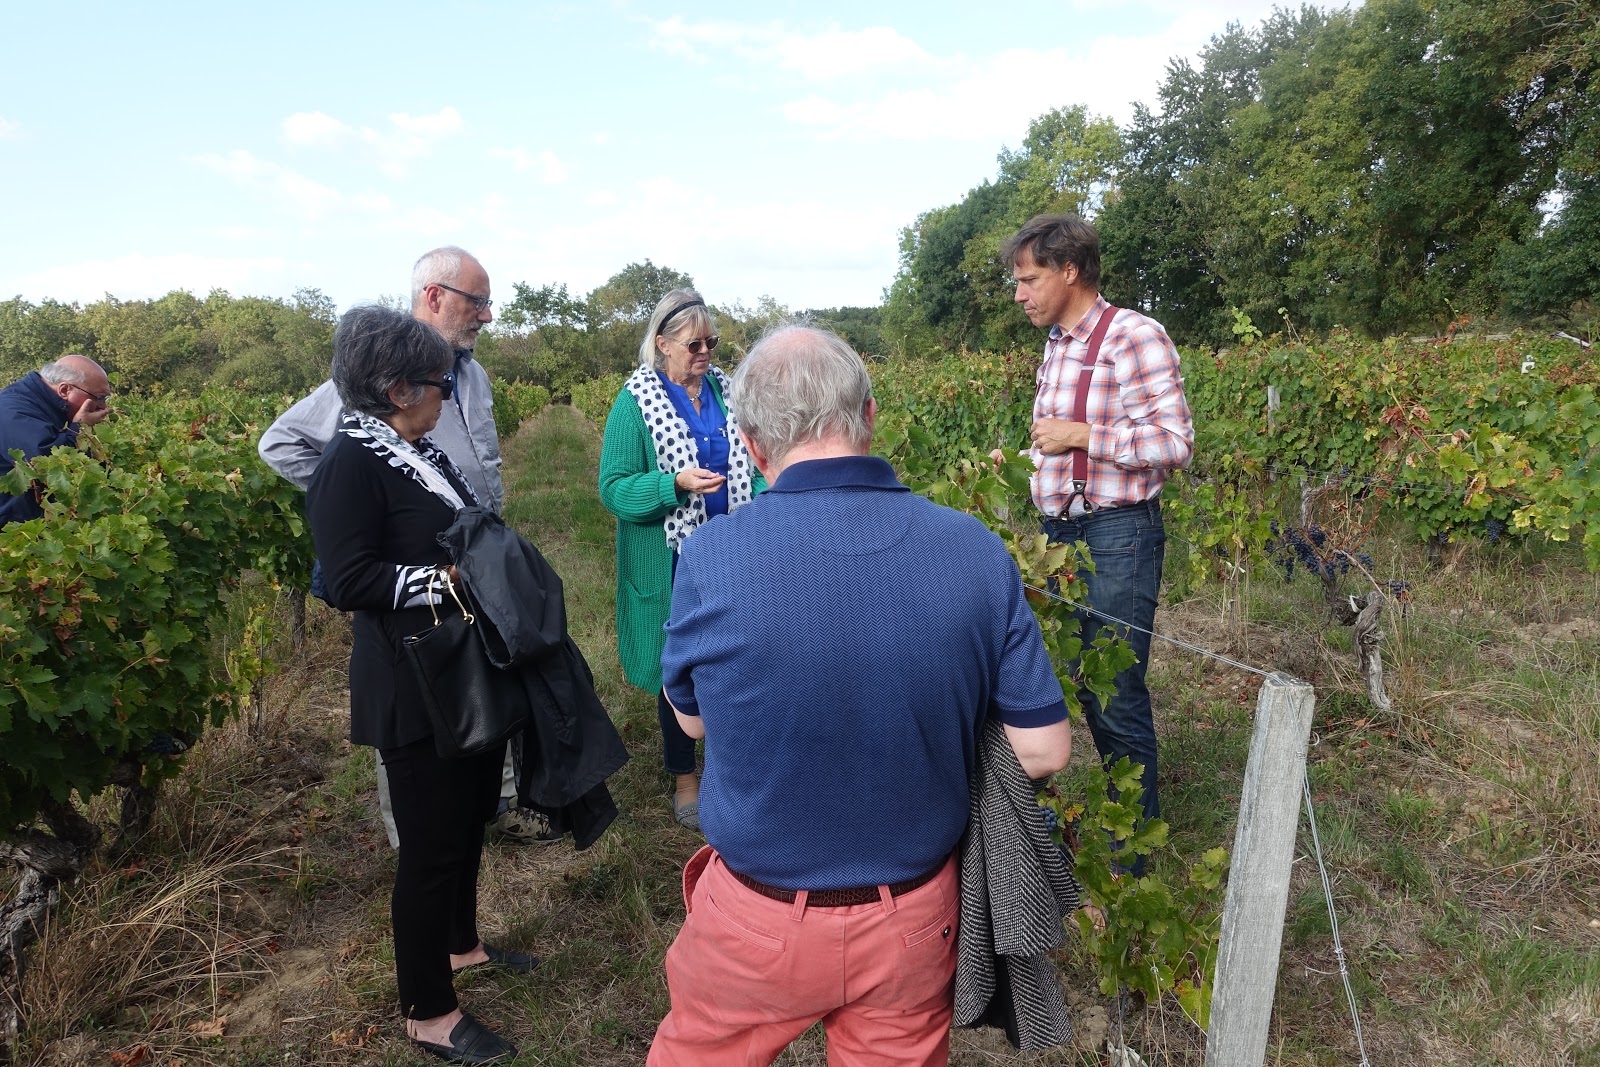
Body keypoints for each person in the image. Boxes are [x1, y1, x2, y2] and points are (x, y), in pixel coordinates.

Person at [646, 325, 1074, 1066]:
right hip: (912, 918)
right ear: (870, 417)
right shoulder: (972, 547)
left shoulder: (712, 555)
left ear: (751, 445)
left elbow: (691, 721)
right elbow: (1043, 749)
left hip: (755, 916)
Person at [259, 247, 545, 847]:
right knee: (422, 722)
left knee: (485, 685)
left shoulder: (472, 375)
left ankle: (492, 806)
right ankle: (415, 832)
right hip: (421, 596)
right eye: (478, 301)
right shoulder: (383, 369)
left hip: (473, 567)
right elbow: (281, 444)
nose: (488, 315)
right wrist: (367, 504)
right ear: (435, 295)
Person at [306, 305, 527, 1065]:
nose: (448, 395)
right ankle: (428, 1010)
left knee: (468, 817)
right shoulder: (350, 464)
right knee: (430, 846)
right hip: (411, 682)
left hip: (457, 669)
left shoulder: (414, 449)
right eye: (441, 383)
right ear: (399, 389)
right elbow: (348, 579)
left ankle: (461, 945)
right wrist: (451, 580)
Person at [1003, 213, 1193, 872]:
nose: (1019, 294)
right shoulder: (1057, 345)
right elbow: (1052, 445)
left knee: (1113, 692)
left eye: (1029, 280)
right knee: (1068, 683)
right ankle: (1079, 833)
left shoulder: (1134, 335)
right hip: (1058, 536)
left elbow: (1174, 442)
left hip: (1116, 533)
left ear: (1070, 271)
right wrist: (1019, 463)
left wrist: (1082, 435)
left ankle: (1132, 860)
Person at [597, 288, 763, 831]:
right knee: (680, 667)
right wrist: (673, 484)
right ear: (663, 344)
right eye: (694, 344)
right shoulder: (635, 403)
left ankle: (730, 765)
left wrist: (770, 503)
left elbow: (757, 465)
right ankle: (685, 777)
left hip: (735, 553)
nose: (706, 352)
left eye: (712, 341)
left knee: (736, 660)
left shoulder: (728, 391)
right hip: (672, 561)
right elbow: (614, 489)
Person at [0, 355, 111, 527]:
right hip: (15, 530)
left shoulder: (40, 402)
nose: (103, 407)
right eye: (99, 397)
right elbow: (46, 461)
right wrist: (80, 428)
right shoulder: (13, 409)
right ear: (65, 390)